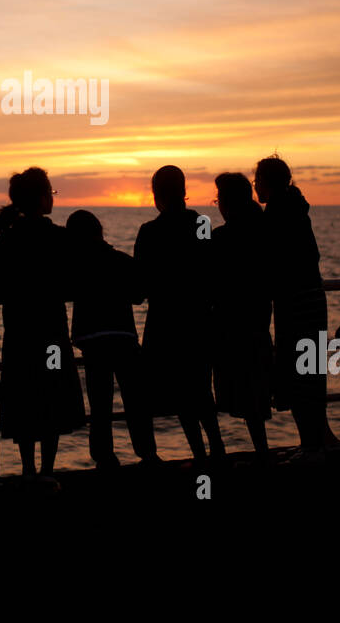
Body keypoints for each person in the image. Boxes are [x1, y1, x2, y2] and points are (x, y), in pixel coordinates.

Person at [0, 168, 85, 481]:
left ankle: (28, 471)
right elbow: (74, 276)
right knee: (52, 396)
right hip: (51, 328)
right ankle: (46, 471)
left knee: (24, 396)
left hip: (19, 330)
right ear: (42, 197)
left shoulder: (7, 237)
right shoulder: (58, 235)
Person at [133, 165, 225, 463]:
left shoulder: (149, 232)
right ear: (183, 191)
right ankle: (217, 448)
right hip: (199, 317)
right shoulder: (200, 223)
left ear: (156, 194)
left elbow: (140, 283)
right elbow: (212, 269)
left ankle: (200, 454)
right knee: (200, 387)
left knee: (180, 392)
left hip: (165, 320)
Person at [65, 209, 160, 468]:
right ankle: (147, 452)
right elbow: (138, 294)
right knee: (135, 400)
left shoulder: (75, 265)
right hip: (123, 335)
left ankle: (104, 456)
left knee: (99, 403)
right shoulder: (120, 260)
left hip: (93, 339)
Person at [255, 155, 329, 459]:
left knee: (299, 375)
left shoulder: (277, 213)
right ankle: (319, 441)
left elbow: (271, 261)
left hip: (295, 303)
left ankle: (313, 445)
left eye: (257, 181)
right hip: (311, 299)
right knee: (309, 373)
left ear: (267, 183)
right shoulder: (297, 208)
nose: (255, 186)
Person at [210, 173, 275, 460]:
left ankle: (224, 453)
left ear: (226, 201)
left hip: (231, 324)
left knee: (242, 390)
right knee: (255, 394)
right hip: (259, 321)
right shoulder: (264, 231)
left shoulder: (223, 237)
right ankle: (263, 452)